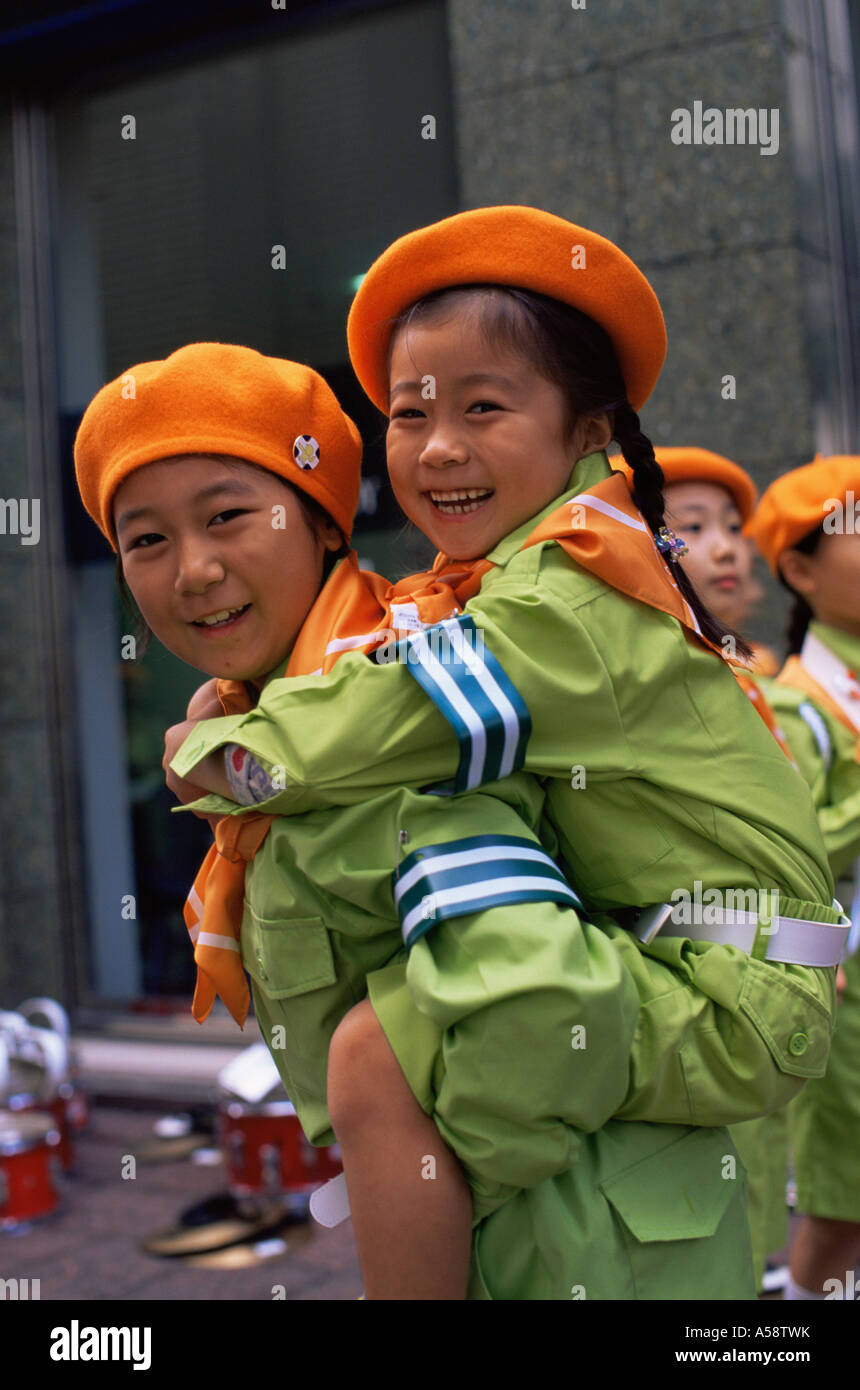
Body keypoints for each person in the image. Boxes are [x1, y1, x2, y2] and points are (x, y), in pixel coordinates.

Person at [167, 211, 847, 1296]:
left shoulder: (564, 590)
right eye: (407, 412)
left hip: (738, 979)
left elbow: (399, 711)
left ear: (587, 430)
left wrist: (218, 748)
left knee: (377, 1059)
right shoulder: (518, 580)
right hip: (708, 963)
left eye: (482, 406)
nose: (436, 446)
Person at [75, 341, 755, 1302]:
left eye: (229, 515)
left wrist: (408, 1173)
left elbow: (536, 994)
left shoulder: (388, 723)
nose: (192, 570)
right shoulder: (287, 716)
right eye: (144, 541)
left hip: (581, 1244)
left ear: (320, 521)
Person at [748, 455, 860, 1301]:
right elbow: (790, 852)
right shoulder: (790, 703)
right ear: (798, 569)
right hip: (845, 983)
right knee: (844, 1204)